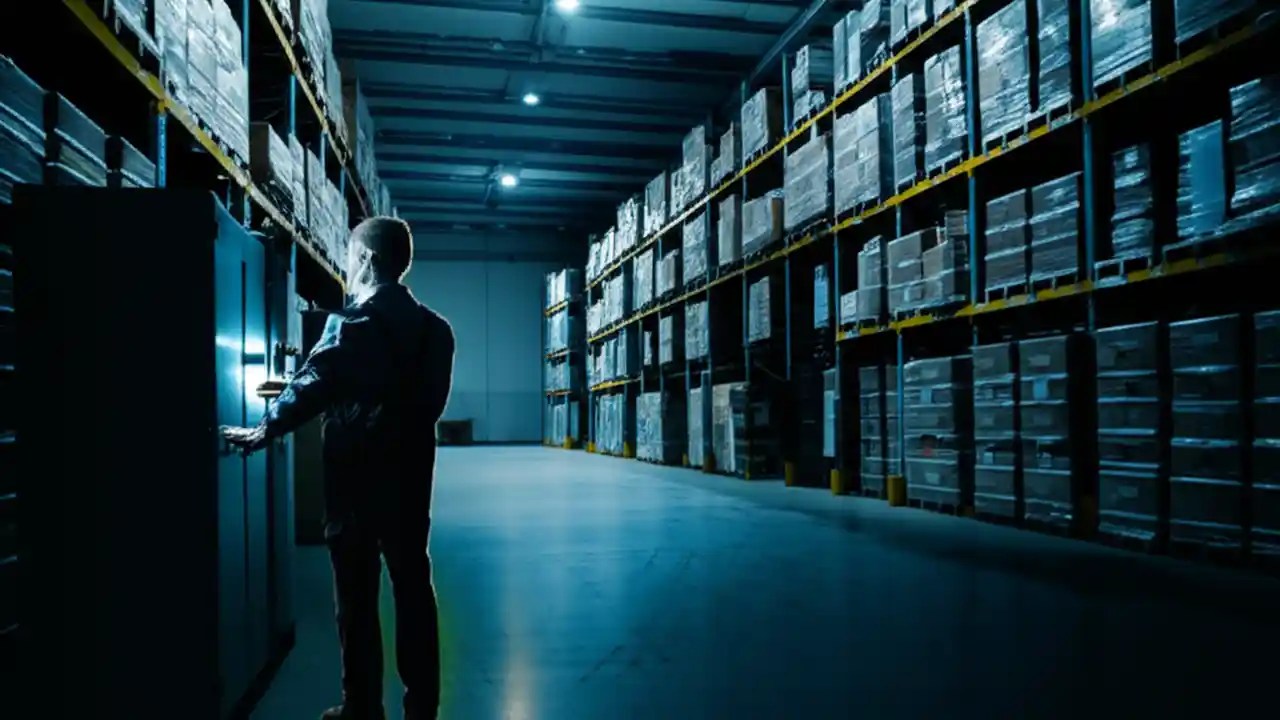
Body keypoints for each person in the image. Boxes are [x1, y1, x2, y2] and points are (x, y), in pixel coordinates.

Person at [223, 216, 455, 720]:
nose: (348, 269)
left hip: (354, 484)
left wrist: (265, 428)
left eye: (351, 258)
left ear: (368, 260)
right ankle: (422, 709)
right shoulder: (437, 332)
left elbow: (315, 381)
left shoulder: (351, 325)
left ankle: (362, 706)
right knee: (413, 587)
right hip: (411, 483)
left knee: (355, 595)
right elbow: (423, 406)